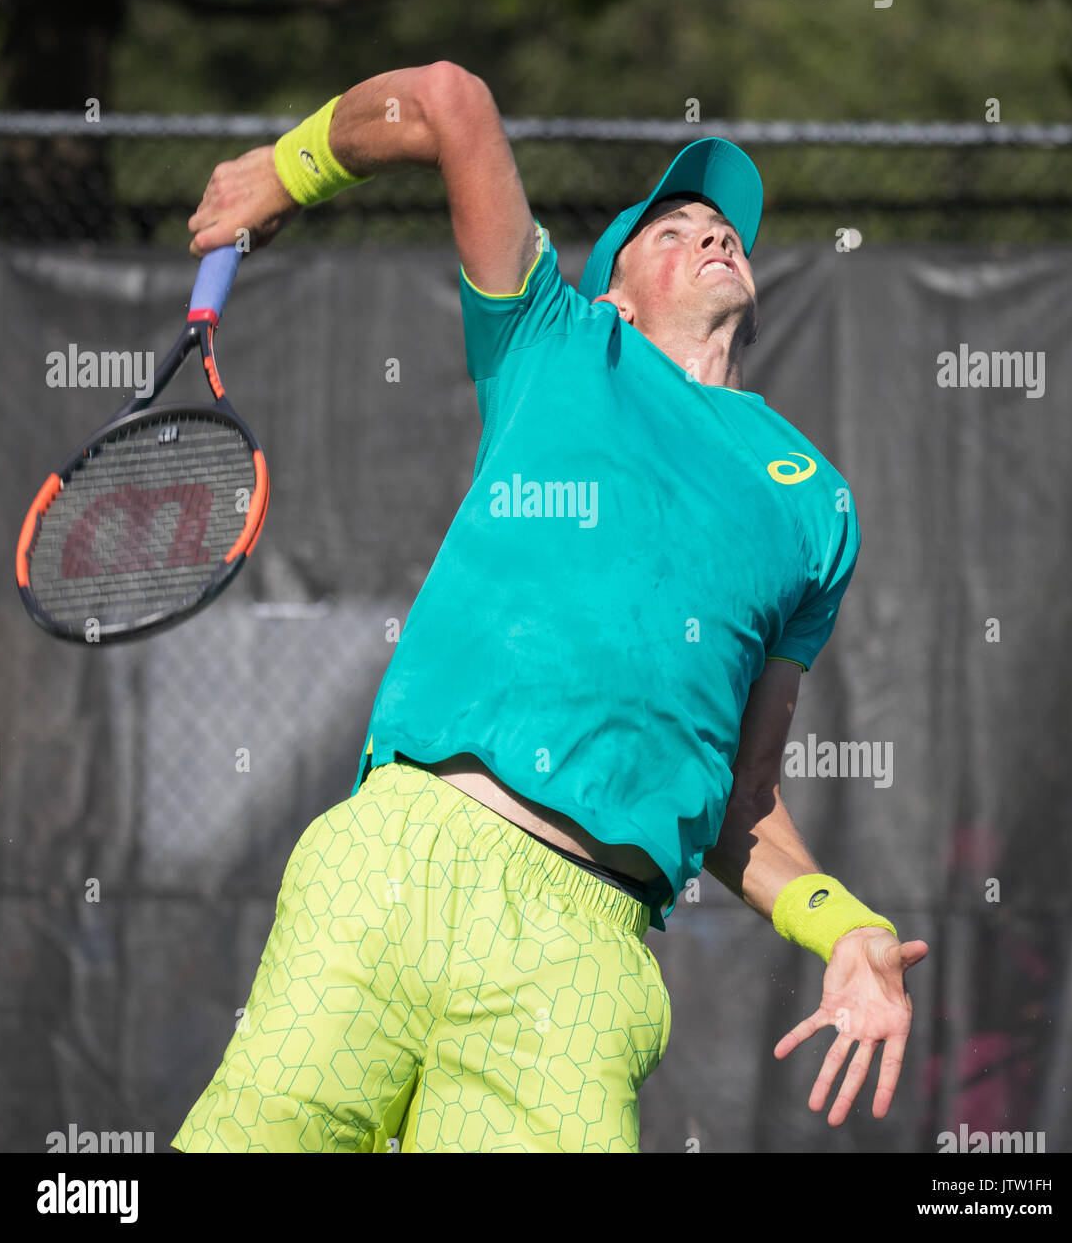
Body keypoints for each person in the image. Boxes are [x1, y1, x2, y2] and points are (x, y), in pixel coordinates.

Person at [172, 61, 928, 1153]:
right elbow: (446, 99)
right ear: (613, 288)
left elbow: (742, 797)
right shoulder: (554, 339)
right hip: (398, 860)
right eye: (670, 229)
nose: (713, 232)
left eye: (725, 228)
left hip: (577, 948)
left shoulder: (814, 505)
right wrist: (278, 172)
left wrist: (845, 926)